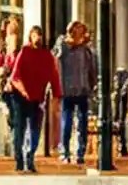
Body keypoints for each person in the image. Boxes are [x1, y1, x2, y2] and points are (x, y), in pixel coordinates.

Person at [9, 25, 62, 174]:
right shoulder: (24, 52)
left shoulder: (47, 56)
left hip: (38, 98)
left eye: (39, 35)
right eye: (34, 35)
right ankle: (19, 159)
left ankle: (30, 156)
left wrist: (57, 95)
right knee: (19, 128)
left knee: (35, 129)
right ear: (30, 37)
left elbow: (54, 77)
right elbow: (15, 76)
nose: (37, 38)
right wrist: (23, 90)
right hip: (20, 97)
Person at [54, 20, 97, 165]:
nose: (82, 33)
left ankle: (80, 153)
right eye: (79, 30)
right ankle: (65, 151)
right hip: (67, 90)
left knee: (82, 123)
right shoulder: (64, 44)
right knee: (67, 121)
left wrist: (92, 84)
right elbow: (56, 55)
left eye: (82, 30)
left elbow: (92, 68)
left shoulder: (86, 49)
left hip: (83, 89)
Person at [0, 17, 24, 163]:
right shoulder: (4, 51)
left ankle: (17, 150)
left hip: (16, 88)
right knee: (13, 119)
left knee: (17, 119)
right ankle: (16, 149)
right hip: (8, 90)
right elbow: (0, 68)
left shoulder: (19, 52)